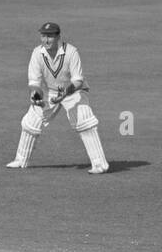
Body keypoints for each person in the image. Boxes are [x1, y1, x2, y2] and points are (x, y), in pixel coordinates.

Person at [6, 22, 108, 173]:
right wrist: (36, 96)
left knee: (84, 122)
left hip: (74, 92)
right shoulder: (37, 53)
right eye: (43, 36)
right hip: (51, 92)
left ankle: (100, 165)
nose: (46, 40)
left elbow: (78, 81)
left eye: (50, 36)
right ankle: (21, 160)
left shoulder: (71, 52)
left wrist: (65, 93)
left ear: (58, 37)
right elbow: (34, 82)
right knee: (30, 122)